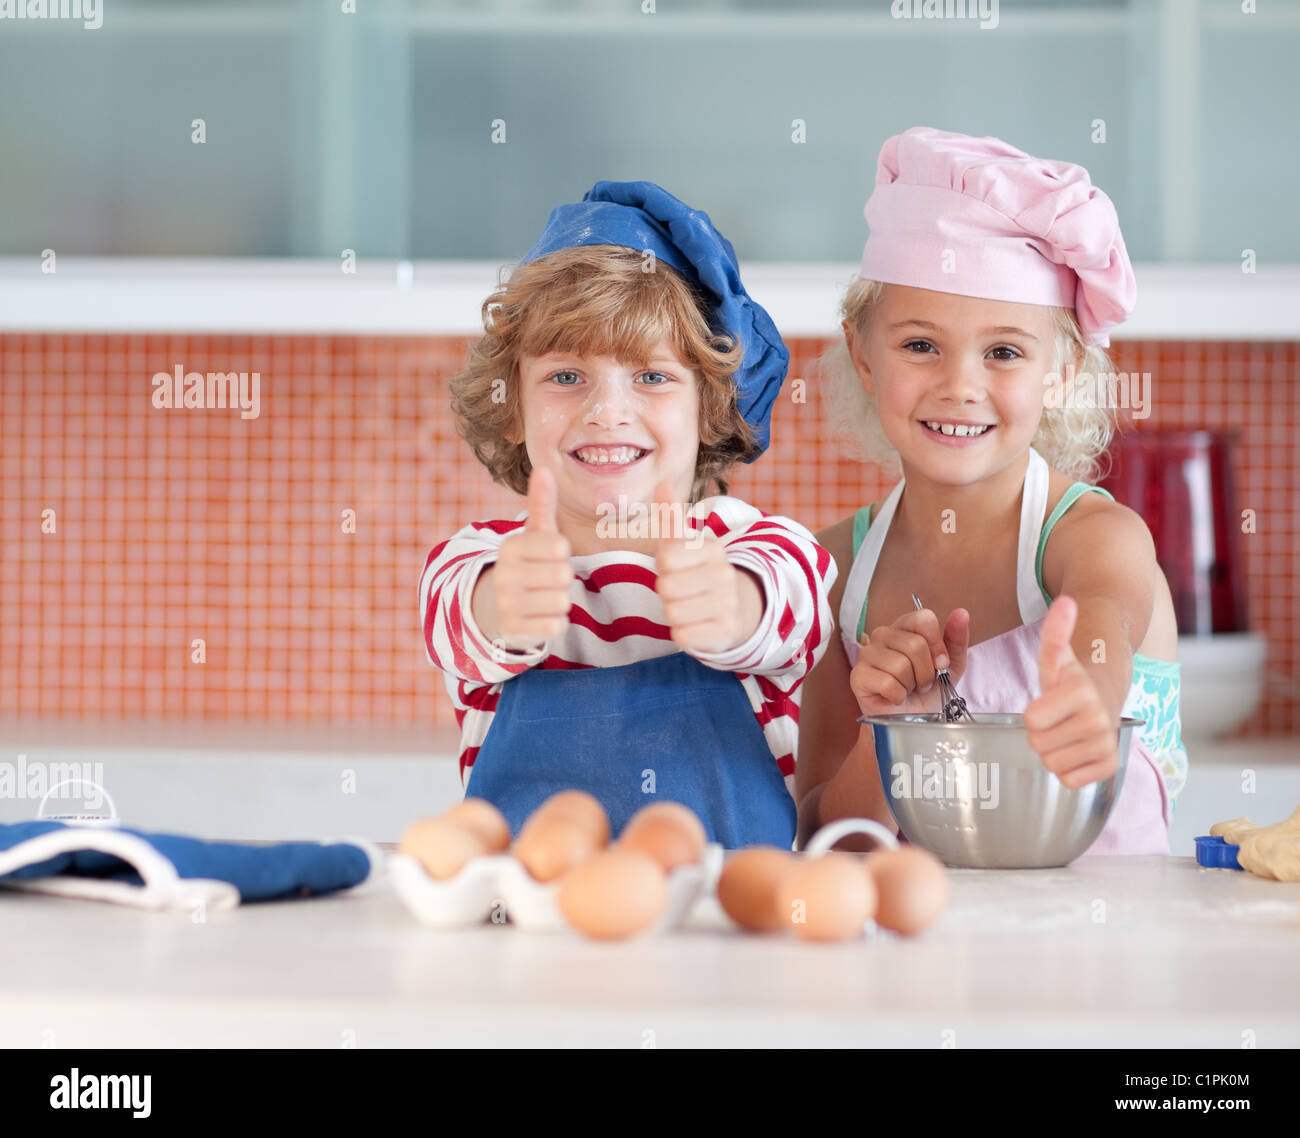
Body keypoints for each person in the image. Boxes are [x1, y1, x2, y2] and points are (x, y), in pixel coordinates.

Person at [797, 127, 1186, 855]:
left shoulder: (1094, 537)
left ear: (1064, 371)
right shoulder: (831, 573)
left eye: (1004, 352)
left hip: (1112, 959)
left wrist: (1087, 702)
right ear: (862, 354)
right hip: (924, 965)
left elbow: (1101, 626)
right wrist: (892, 733)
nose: (959, 386)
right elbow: (829, 838)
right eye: (920, 345)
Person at [421, 181, 835, 848]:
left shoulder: (759, 548)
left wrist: (728, 606)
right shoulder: (481, 562)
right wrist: (505, 604)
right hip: (528, 932)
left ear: (709, 409)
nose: (607, 411)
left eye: (651, 377)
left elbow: (790, 609)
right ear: (513, 407)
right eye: (565, 377)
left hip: (724, 931)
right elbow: (462, 623)